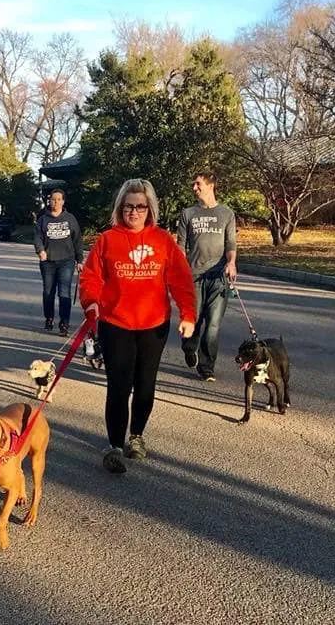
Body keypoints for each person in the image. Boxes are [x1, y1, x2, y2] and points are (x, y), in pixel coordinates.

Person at [79, 179, 196, 474]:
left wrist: (188, 315)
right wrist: (91, 302)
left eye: (140, 206)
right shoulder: (107, 240)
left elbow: (181, 281)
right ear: (121, 208)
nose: (134, 212)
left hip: (153, 324)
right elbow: (91, 277)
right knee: (119, 386)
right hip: (115, 323)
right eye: (128, 206)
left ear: (149, 209)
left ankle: (137, 436)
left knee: (145, 386)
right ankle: (115, 445)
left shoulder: (163, 241)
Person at [177, 172, 238, 382]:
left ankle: (207, 367)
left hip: (218, 278)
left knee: (213, 324)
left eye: (198, 184)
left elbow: (231, 245)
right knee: (193, 320)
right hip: (194, 277)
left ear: (211, 185)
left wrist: (231, 263)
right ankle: (189, 347)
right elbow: (180, 246)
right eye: (193, 184)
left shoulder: (227, 214)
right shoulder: (188, 214)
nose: (194, 188)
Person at [33, 188, 84, 336]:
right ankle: (49, 318)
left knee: (64, 293)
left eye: (58, 199)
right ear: (49, 201)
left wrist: (79, 259)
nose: (55, 202)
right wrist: (40, 250)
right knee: (48, 292)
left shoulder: (70, 219)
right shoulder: (43, 219)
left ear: (63, 201)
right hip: (48, 261)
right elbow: (37, 237)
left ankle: (64, 323)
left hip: (66, 261)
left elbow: (77, 240)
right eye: (53, 199)